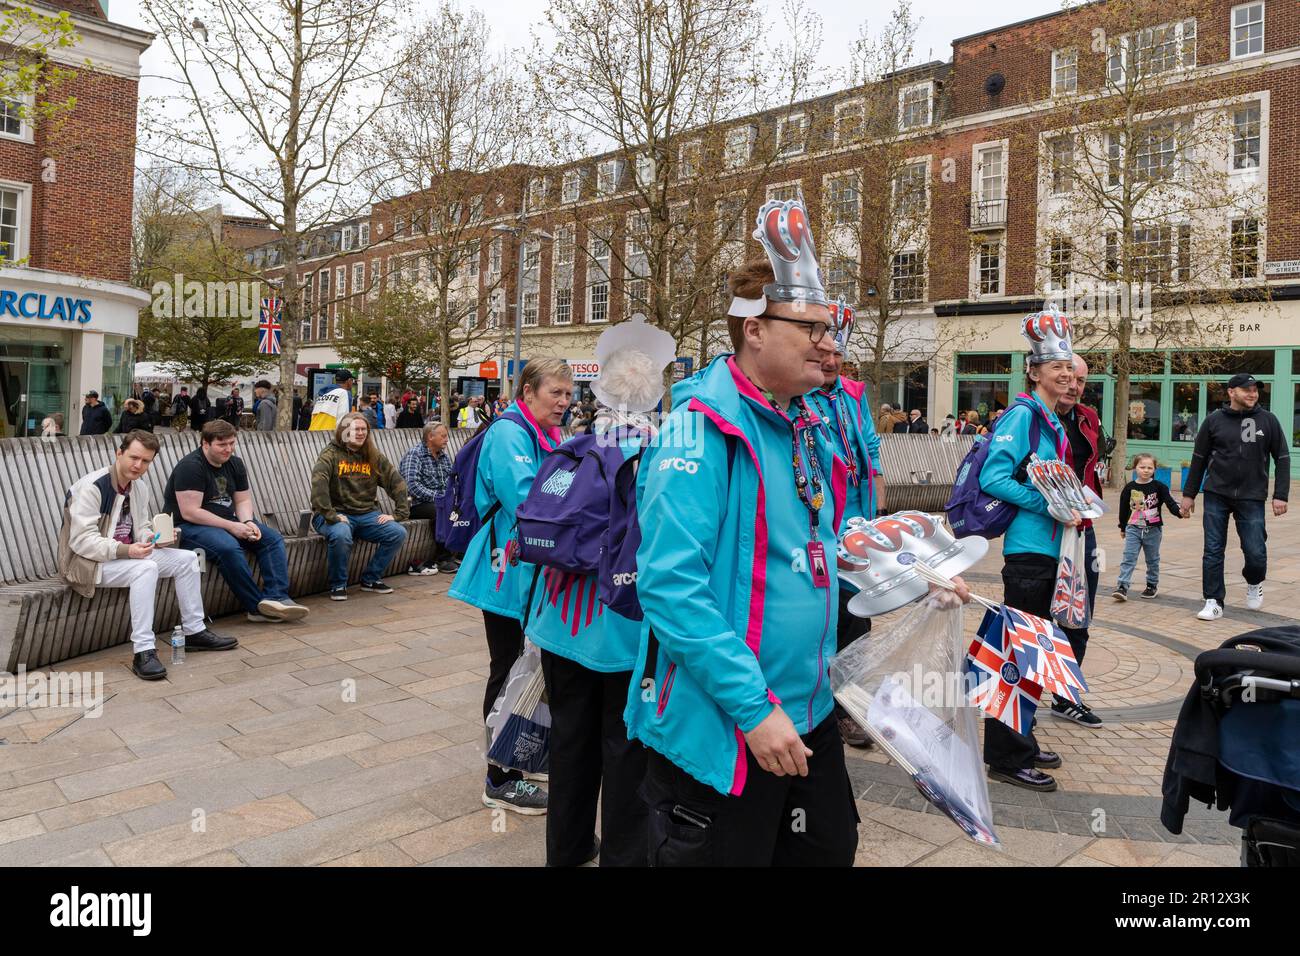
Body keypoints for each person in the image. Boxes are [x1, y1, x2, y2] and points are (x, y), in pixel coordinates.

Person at [626, 201, 867, 867]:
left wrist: (911, 569)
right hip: (734, 726)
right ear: (754, 331)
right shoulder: (701, 430)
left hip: (809, 716)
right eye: (813, 328)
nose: (831, 342)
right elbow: (671, 589)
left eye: (832, 327)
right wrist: (753, 710)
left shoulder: (807, 424)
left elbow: (824, 545)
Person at [525, 315, 673, 866]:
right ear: (656, 392)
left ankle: (564, 853)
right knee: (626, 752)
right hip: (626, 632)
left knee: (569, 747)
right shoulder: (662, 453)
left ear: (600, 389)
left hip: (560, 624)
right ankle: (624, 857)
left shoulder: (575, 445)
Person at [448, 358, 573, 815]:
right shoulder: (509, 433)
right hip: (505, 570)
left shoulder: (548, 432)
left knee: (534, 667)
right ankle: (498, 779)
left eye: (567, 393)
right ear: (528, 392)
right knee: (506, 667)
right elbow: (528, 500)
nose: (564, 401)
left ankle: (525, 754)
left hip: (532, 570)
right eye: (555, 393)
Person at [978, 310, 1085, 792]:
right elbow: (993, 478)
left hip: (1048, 551)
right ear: (1034, 371)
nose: (1065, 375)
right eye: (1055, 367)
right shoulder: (1022, 416)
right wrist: (1048, 504)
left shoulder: (1052, 421)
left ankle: (1023, 736)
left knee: (1036, 651)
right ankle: (1005, 755)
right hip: (1027, 554)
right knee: (1018, 654)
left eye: (1070, 367)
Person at [58, 429, 237, 680]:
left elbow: (140, 528)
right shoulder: (92, 488)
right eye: (133, 457)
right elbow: (81, 541)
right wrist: (126, 549)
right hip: (86, 563)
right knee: (146, 569)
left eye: (145, 461)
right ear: (119, 453)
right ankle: (143, 651)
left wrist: (156, 538)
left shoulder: (138, 487)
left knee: (186, 559)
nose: (138, 465)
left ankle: (195, 631)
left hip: (125, 557)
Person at [806, 308, 887, 749]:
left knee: (859, 620)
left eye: (838, 352)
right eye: (826, 352)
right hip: (821, 527)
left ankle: (848, 705)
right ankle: (824, 707)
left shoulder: (854, 394)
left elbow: (872, 455)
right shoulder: (800, 396)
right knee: (825, 619)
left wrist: (879, 524)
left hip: (859, 528)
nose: (831, 361)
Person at [163, 419, 308, 624]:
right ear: (205, 443)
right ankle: (256, 608)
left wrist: (248, 522)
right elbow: (190, 512)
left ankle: (277, 598)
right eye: (222, 444)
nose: (228, 449)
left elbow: (243, 500)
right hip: (189, 527)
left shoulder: (235, 463)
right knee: (229, 548)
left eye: (231, 443)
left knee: (271, 539)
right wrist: (232, 526)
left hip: (228, 521)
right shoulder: (191, 467)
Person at [1181, 372, 1289, 620]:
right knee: (1213, 549)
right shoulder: (1214, 421)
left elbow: (1282, 458)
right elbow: (1199, 460)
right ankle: (1213, 600)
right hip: (1216, 492)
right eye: (1247, 389)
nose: (1253, 393)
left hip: (1252, 495)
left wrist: (1280, 494)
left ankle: (1254, 581)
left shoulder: (1268, 420)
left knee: (1255, 551)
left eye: (1255, 390)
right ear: (1231, 392)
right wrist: (1189, 495)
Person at [1052, 353, 1104, 729]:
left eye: (1081, 380)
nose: (1074, 386)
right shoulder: (1033, 416)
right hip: (1045, 528)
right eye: (1068, 376)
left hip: (1083, 524)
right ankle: (1019, 692)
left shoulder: (1088, 418)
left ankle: (1066, 695)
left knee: (1080, 613)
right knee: (1037, 616)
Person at [310, 412, 410, 600]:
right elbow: (318, 487)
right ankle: (338, 585)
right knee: (341, 534)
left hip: (366, 515)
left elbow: (395, 481)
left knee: (397, 533)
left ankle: (371, 579)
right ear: (345, 431)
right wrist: (331, 515)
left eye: (364, 429)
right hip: (333, 514)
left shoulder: (372, 455)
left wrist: (399, 514)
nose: (361, 433)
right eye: (356, 429)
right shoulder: (330, 454)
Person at [1113, 453, 1184, 602]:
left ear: (1154, 469)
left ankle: (1152, 585)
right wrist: (1122, 526)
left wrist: (1179, 512)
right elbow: (1123, 509)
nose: (1146, 470)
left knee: (1152, 559)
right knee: (1129, 558)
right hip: (1133, 528)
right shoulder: (1129, 488)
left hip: (1153, 530)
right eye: (1142, 467)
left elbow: (1170, 503)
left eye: (1149, 467)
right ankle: (1122, 586)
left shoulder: (1159, 487)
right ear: (1135, 468)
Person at [398, 422, 459, 575]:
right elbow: (412, 486)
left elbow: (453, 481)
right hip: (416, 504)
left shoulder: (444, 457)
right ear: (430, 437)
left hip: (439, 501)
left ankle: (460, 552)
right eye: (443, 436)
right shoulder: (415, 455)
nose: (447, 440)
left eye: (447, 436)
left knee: (464, 507)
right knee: (440, 510)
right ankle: (443, 557)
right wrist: (439, 498)